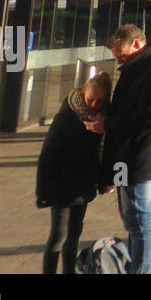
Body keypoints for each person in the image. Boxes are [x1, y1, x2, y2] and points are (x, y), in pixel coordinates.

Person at [103, 23, 151, 275]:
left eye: (120, 52)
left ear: (137, 43)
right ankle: (136, 267)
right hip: (124, 156)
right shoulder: (137, 66)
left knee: (140, 218)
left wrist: (107, 124)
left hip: (137, 157)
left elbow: (149, 119)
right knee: (130, 217)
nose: (117, 58)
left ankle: (140, 271)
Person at [36, 71, 111, 274]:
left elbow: (104, 153)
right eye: (90, 99)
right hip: (61, 184)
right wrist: (43, 193)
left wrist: (106, 182)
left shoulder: (104, 121)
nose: (93, 104)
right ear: (82, 92)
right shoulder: (67, 115)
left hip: (83, 184)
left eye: (99, 101)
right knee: (58, 236)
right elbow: (47, 155)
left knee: (74, 235)